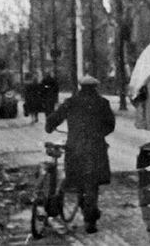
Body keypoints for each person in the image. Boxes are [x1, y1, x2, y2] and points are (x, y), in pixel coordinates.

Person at [45, 75, 115, 234]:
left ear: (80, 87)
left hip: (75, 147)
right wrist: (98, 134)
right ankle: (90, 219)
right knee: (93, 183)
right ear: (95, 88)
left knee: (77, 180)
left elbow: (55, 118)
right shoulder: (103, 103)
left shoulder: (71, 102)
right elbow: (110, 125)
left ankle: (82, 209)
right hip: (96, 148)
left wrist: (49, 126)